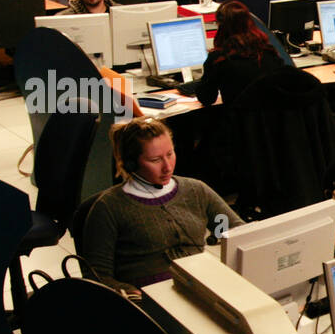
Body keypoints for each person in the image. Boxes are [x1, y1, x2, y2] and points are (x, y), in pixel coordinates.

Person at [81, 118, 243, 298]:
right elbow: (96, 276)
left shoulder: (195, 191)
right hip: (149, 301)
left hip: (198, 289)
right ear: (131, 163)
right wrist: (127, 292)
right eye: (155, 159)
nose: (167, 167)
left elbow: (232, 231)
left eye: (170, 154)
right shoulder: (109, 208)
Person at [194, 1, 285, 107]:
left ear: (221, 27)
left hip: (239, 121)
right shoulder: (269, 52)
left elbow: (206, 98)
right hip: (271, 120)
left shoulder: (220, 58)